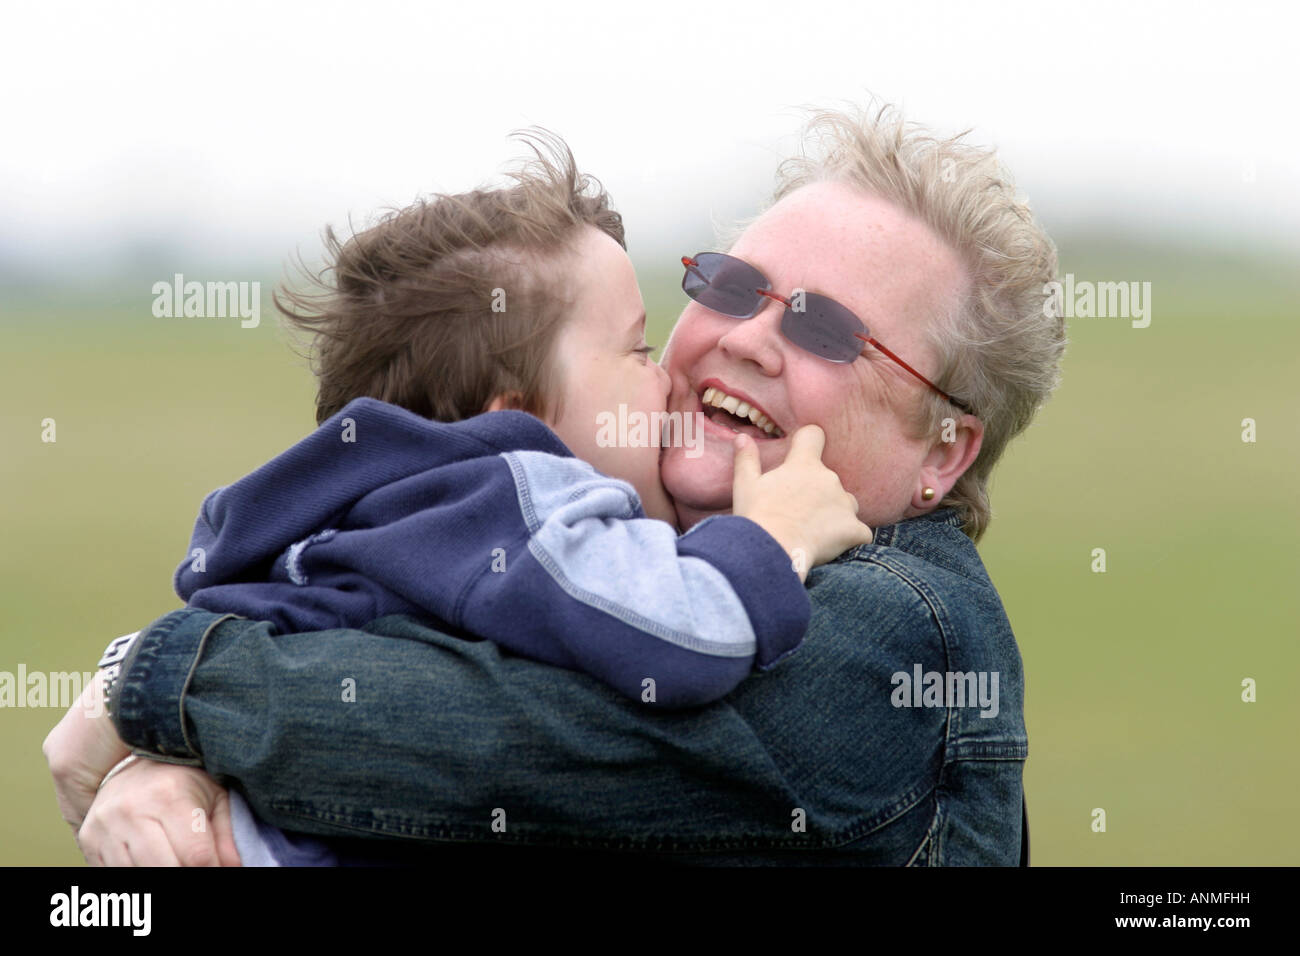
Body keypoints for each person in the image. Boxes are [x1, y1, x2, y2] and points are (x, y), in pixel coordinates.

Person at [46, 102, 1065, 865]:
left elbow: (496, 739)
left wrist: (158, 691)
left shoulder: (898, 629)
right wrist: (173, 758)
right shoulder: (622, 549)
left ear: (944, 451)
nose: (749, 337)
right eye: (734, 286)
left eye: (825, 327)